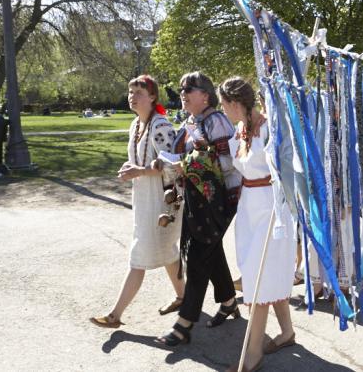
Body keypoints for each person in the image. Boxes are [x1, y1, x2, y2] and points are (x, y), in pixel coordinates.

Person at [90, 75, 184, 329]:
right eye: (130, 92)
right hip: (143, 195)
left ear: (152, 97)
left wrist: (139, 171)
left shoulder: (161, 125)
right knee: (167, 250)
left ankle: (115, 315)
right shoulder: (135, 124)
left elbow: (172, 165)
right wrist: (130, 168)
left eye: (139, 92)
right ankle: (183, 296)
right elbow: (140, 160)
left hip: (161, 199)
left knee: (139, 254)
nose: (132, 96)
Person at [155, 72, 241, 346]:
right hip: (196, 197)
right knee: (210, 250)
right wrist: (171, 163)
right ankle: (228, 300)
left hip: (218, 200)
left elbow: (230, 161)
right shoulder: (190, 121)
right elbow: (188, 156)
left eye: (188, 89)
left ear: (205, 95)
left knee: (198, 256)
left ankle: (184, 324)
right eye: (181, 89)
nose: (182, 93)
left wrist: (189, 164)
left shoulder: (216, 120)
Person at [219, 77, 298, 372]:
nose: (223, 110)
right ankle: (287, 332)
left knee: (260, 278)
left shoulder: (270, 128)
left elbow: (288, 169)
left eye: (225, 105)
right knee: (264, 274)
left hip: (271, 208)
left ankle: (251, 355)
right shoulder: (240, 129)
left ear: (237, 104)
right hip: (249, 206)